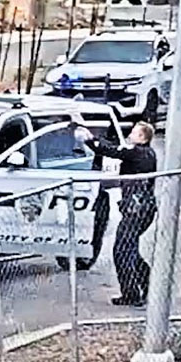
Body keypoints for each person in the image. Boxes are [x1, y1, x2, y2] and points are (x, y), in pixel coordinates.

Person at [74, 121, 158, 307]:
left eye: (135, 132)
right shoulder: (149, 154)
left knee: (121, 250)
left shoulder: (137, 153)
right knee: (130, 249)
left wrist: (90, 139)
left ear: (142, 138)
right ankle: (146, 286)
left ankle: (132, 294)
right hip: (143, 208)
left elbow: (111, 151)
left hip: (135, 210)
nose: (131, 134)